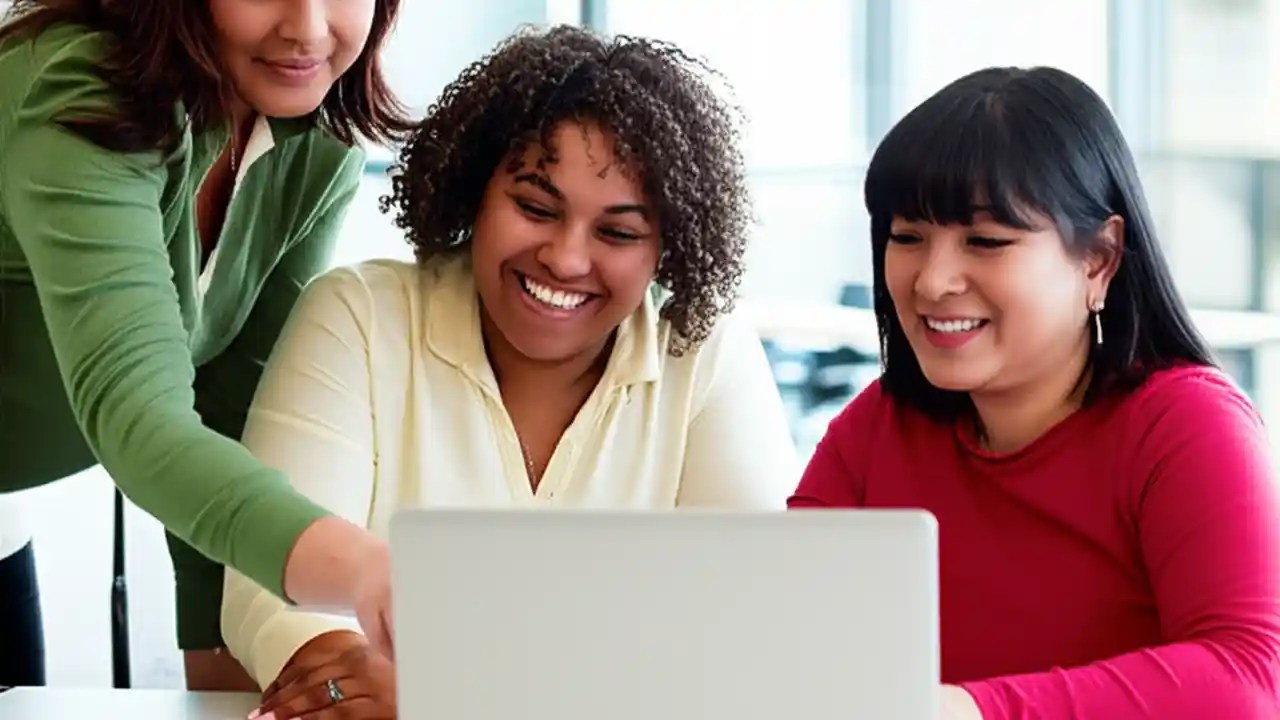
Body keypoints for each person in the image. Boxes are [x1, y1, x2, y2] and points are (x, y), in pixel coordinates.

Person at [218, 24, 800, 719]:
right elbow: (273, 587)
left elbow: (746, 629)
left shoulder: (707, 355)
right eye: (534, 207)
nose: (565, 259)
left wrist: (445, 693)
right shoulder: (360, 317)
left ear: (665, 249)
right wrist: (344, 680)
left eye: (617, 232)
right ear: (476, 191)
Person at [789, 66, 1280, 719]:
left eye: (986, 242)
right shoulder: (875, 428)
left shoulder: (1184, 424)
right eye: (907, 237)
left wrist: (968, 711)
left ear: (1099, 259)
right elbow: (785, 644)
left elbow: (1246, 679)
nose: (932, 282)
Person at [0, 0, 411, 689]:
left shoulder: (313, 139)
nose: (307, 27)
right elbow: (141, 418)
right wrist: (370, 571)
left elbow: (231, 414)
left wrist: (223, 662)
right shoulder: (76, 88)